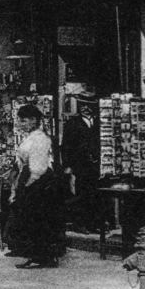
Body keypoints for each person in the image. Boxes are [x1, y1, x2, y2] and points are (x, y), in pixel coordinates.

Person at [7, 102, 64, 268]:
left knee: (37, 219)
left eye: (23, 121)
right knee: (35, 220)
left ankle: (41, 256)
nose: (20, 124)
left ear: (33, 120)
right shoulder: (32, 137)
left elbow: (38, 168)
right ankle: (38, 255)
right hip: (31, 178)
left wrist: (26, 187)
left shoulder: (40, 139)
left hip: (37, 182)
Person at [61, 96, 101, 232]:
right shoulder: (72, 123)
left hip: (96, 164)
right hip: (80, 164)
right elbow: (65, 145)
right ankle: (80, 223)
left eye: (87, 105)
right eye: (82, 105)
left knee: (95, 193)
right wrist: (67, 165)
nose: (84, 108)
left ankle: (94, 224)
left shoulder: (99, 122)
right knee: (81, 193)